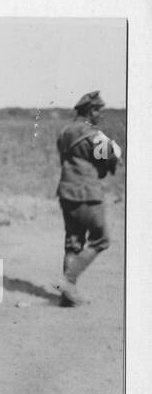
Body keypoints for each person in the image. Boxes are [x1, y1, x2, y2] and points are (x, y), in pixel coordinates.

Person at [56, 90, 121, 307]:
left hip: (66, 191)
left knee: (73, 242)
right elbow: (108, 160)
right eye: (99, 111)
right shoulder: (95, 135)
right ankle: (68, 281)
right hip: (87, 194)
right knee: (101, 240)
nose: (101, 115)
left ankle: (67, 297)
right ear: (91, 111)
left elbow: (63, 158)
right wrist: (111, 162)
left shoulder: (64, 132)